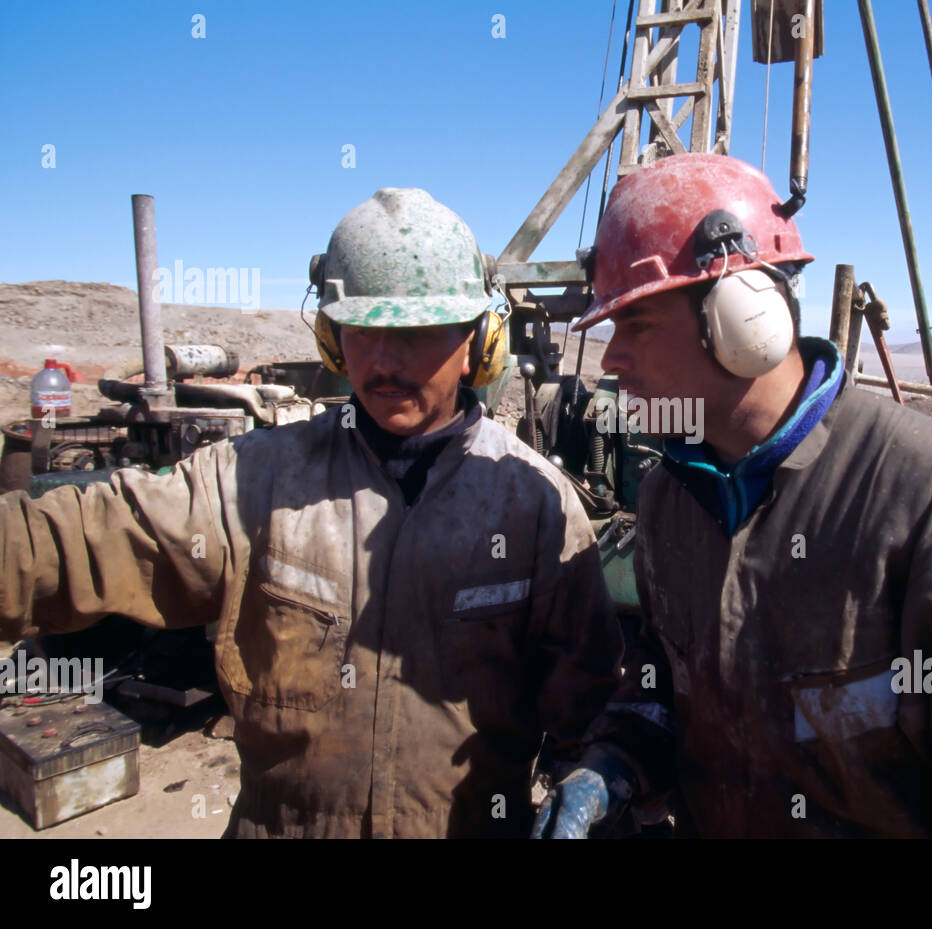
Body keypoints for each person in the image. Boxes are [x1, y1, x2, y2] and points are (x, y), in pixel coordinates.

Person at [0, 188, 621, 838]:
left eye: (414, 332)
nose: (384, 361)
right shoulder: (254, 480)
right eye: (362, 330)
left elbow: (595, 712)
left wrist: (596, 783)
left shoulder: (537, 506)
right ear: (331, 338)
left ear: (476, 343)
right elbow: (76, 541)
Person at [533, 154, 932, 838]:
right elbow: (661, 679)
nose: (611, 360)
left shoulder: (929, 493)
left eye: (638, 324)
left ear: (744, 318)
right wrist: (614, 762)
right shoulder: (667, 501)